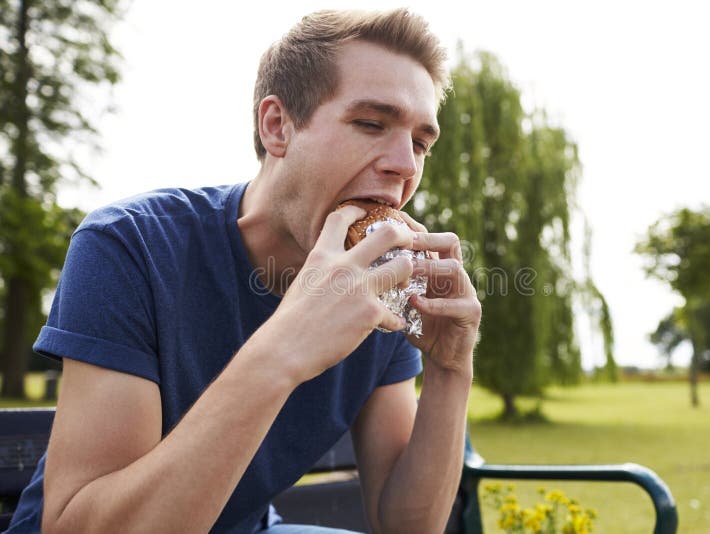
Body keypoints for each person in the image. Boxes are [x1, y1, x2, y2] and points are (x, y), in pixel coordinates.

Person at [5, 8, 480, 534]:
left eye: (420, 142)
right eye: (371, 123)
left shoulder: (379, 284)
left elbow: (405, 527)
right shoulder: (129, 246)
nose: (406, 165)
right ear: (277, 126)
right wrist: (284, 347)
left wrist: (450, 369)